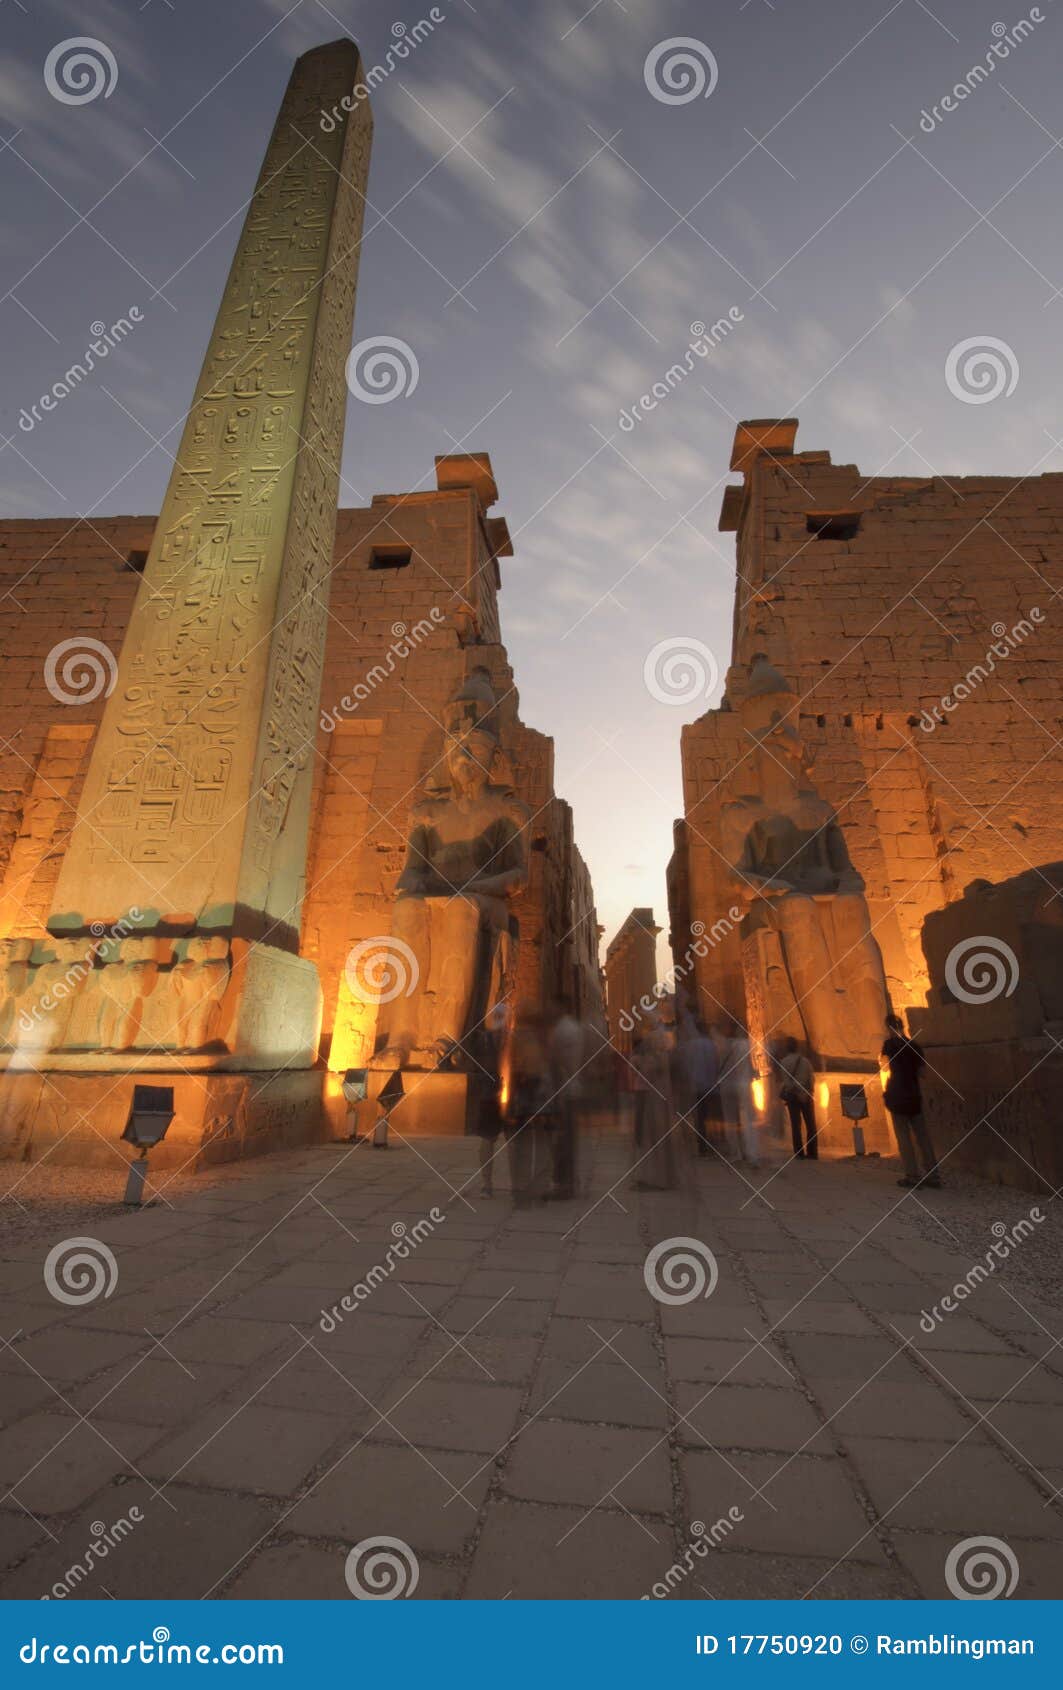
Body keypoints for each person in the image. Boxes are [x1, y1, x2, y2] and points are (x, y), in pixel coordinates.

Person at [881, 1011, 942, 1189]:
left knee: (904, 1137)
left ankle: (912, 1175)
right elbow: (923, 1073)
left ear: (888, 1028)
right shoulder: (915, 1046)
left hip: (897, 1094)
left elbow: (884, 1066)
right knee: (923, 1136)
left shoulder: (889, 1045)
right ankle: (933, 1174)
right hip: (914, 1094)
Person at [503, 1007, 554, 1206]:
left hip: (523, 1093)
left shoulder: (515, 1038)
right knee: (542, 1144)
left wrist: (508, 1102)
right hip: (543, 1095)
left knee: (521, 1146)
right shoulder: (547, 1038)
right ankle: (540, 1190)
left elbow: (510, 1068)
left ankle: (521, 1190)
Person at [629, 1013, 683, 1189]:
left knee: (656, 1137)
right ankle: (661, 1176)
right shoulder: (663, 1053)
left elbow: (648, 1069)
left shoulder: (656, 1056)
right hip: (660, 1098)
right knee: (657, 1137)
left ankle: (658, 1178)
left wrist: (639, 1062)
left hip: (656, 1100)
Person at [547, 997, 583, 1199]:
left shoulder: (562, 1029)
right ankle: (569, 1182)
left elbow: (556, 1060)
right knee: (568, 1139)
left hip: (563, 1090)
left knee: (561, 1140)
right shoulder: (574, 1028)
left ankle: (562, 1185)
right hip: (572, 1088)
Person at [719, 1019, 759, 1167]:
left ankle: (736, 1152)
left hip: (732, 1085)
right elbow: (752, 1067)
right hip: (745, 1085)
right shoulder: (748, 1045)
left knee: (732, 1120)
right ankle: (750, 1152)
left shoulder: (729, 1046)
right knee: (748, 1120)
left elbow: (726, 1065)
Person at [677, 1018, 719, 1158]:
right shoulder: (711, 1045)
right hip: (709, 1084)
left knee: (698, 1116)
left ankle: (701, 1144)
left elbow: (686, 1066)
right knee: (708, 1114)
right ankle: (710, 1142)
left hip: (695, 1085)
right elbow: (714, 1064)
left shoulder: (690, 1046)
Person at [776, 1036, 818, 1160]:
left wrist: (793, 1089)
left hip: (793, 1096)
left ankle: (799, 1153)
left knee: (796, 1125)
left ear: (787, 1048)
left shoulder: (784, 1062)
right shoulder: (805, 1062)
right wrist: (808, 1092)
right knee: (811, 1125)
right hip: (806, 1096)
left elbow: (786, 1082)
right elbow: (811, 1079)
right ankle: (812, 1153)